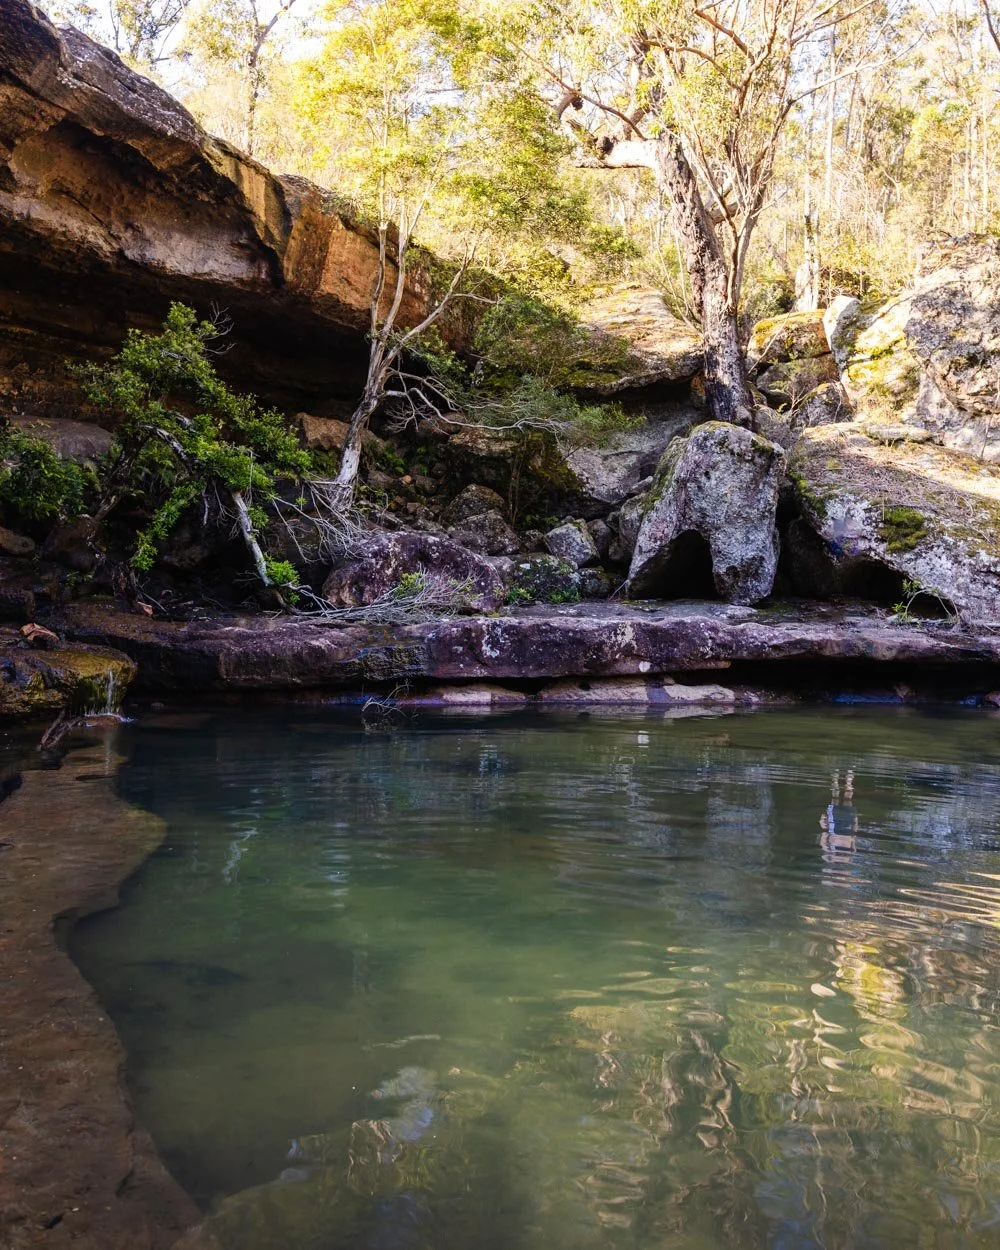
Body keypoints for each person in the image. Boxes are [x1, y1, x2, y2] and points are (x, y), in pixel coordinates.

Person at [819, 769, 857, 856]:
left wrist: (822, 821)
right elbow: (854, 837)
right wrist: (855, 819)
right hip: (847, 825)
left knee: (835, 798)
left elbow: (823, 839)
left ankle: (835, 778)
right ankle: (849, 780)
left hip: (834, 824)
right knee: (848, 798)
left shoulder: (829, 849)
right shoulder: (849, 851)